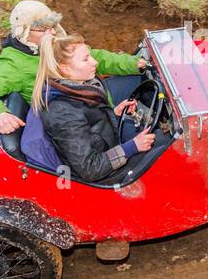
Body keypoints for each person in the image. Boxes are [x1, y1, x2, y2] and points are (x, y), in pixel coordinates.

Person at [0, 0, 144, 134]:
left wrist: (135, 64)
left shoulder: (53, 41)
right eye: (43, 29)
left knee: (140, 79)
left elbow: (96, 58)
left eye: (52, 26)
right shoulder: (13, 65)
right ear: (23, 32)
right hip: (84, 123)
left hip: (96, 102)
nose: (52, 32)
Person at [20, 34, 156, 182]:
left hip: (106, 146)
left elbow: (89, 123)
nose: (95, 62)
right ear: (65, 69)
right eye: (86, 59)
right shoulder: (62, 112)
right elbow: (89, 169)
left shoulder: (78, 87)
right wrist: (132, 147)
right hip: (103, 174)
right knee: (161, 148)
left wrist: (115, 113)